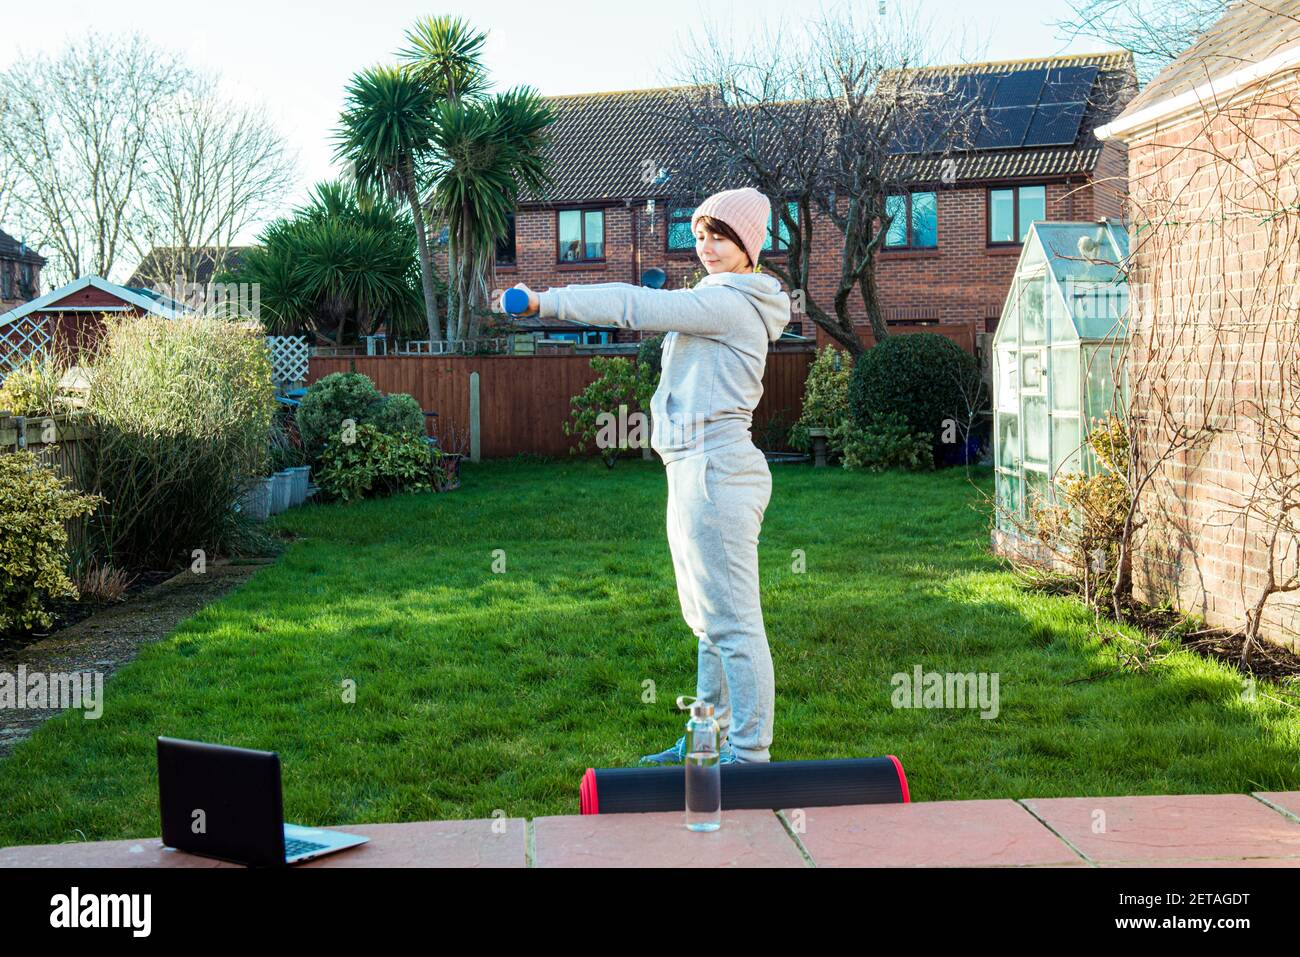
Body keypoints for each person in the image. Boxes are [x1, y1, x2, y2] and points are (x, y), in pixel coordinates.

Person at [504, 187, 791, 765]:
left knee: (733, 623)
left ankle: (750, 755)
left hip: (717, 470)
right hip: (694, 470)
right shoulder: (723, 298)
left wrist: (546, 300)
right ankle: (706, 744)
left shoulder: (730, 304)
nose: (707, 247)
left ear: (749, 244)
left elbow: (636, 306)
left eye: (722, 236)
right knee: (709, 624)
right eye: (702, 235)